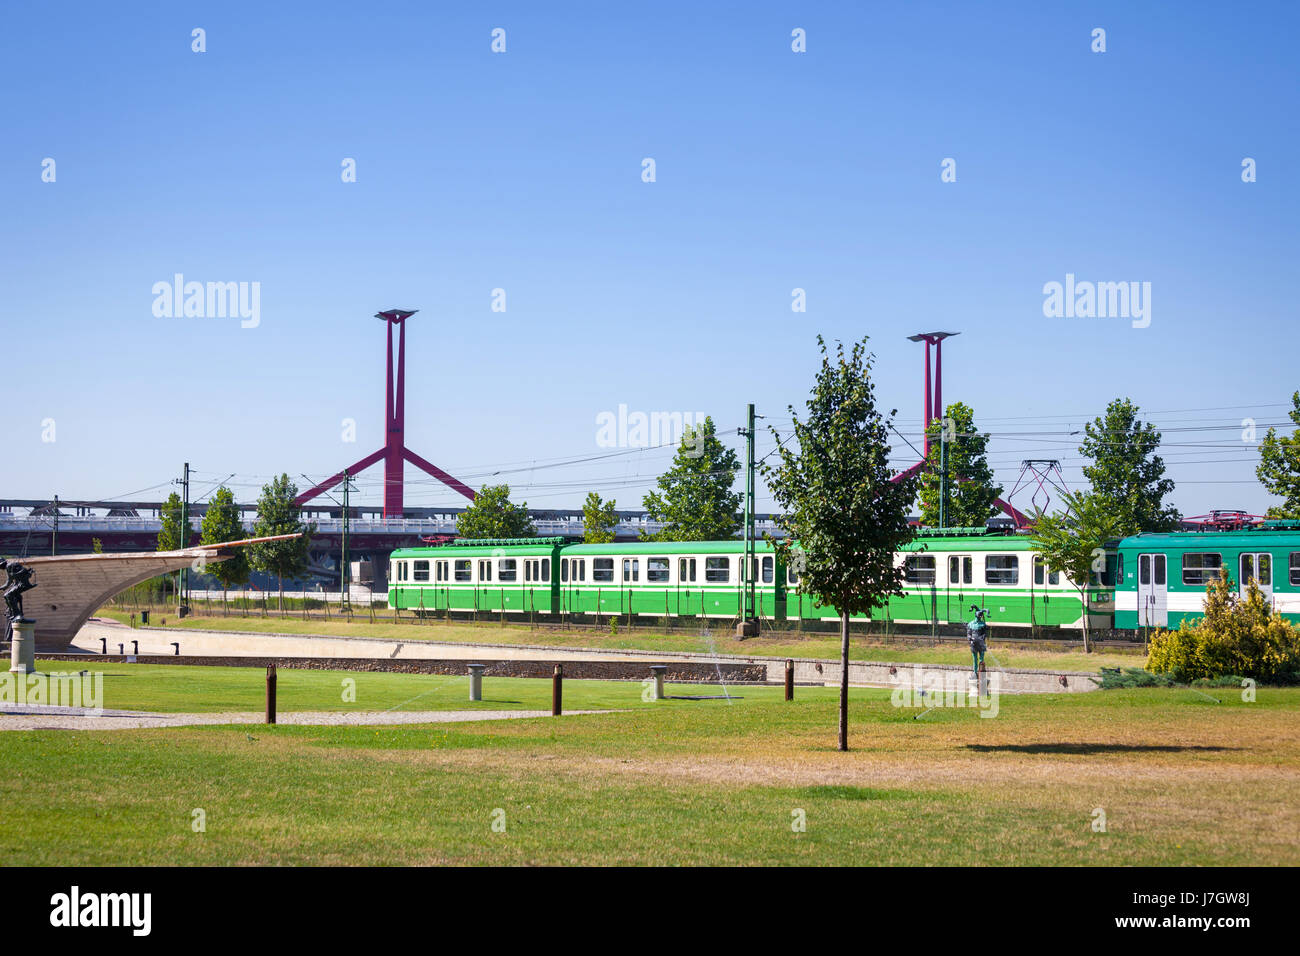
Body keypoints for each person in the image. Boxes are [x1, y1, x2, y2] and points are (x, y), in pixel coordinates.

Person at [967, 604, 988, 679]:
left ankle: (981, 672)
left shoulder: (983, 625)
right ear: (976, 615)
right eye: (979, 616)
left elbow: (985, 634)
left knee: (981, 659)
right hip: (974, 644)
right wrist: (970, 639)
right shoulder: (970, 624)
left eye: (981, 616)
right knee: (974, 659)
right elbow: (969, 634)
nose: (980, 617)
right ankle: (975, 672)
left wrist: (981, 638)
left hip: (981, 644)